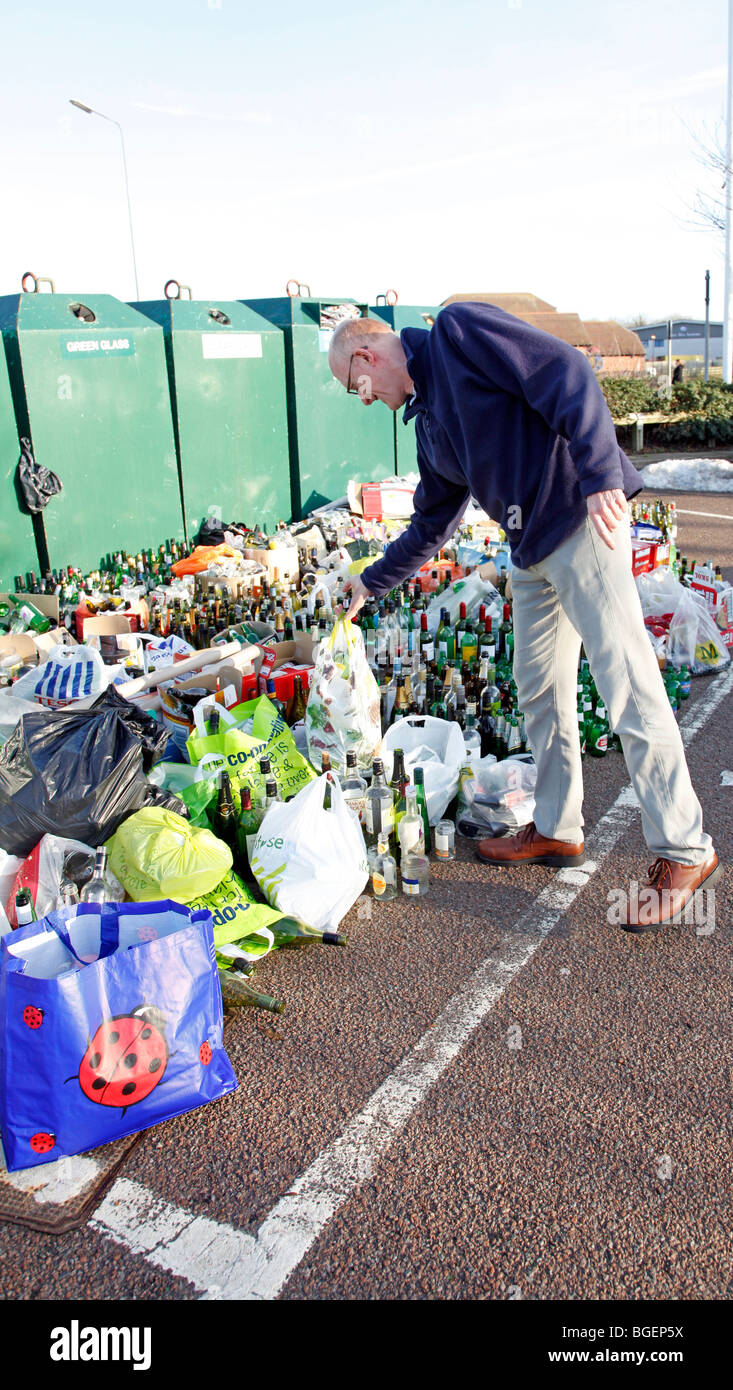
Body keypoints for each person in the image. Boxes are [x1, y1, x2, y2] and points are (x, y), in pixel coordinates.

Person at [328, 304, 719, 932]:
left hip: (580, 521)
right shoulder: (427, 422)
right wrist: (369, 583)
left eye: (356, 386)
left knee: (627, 685)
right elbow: (433, 521)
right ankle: (559, 829)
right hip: (530, 551)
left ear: (365, 355)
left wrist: (598, 475)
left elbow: (563, 372)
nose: (362, 399)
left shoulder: (457, 333)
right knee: (538, 689)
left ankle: (685, 849)